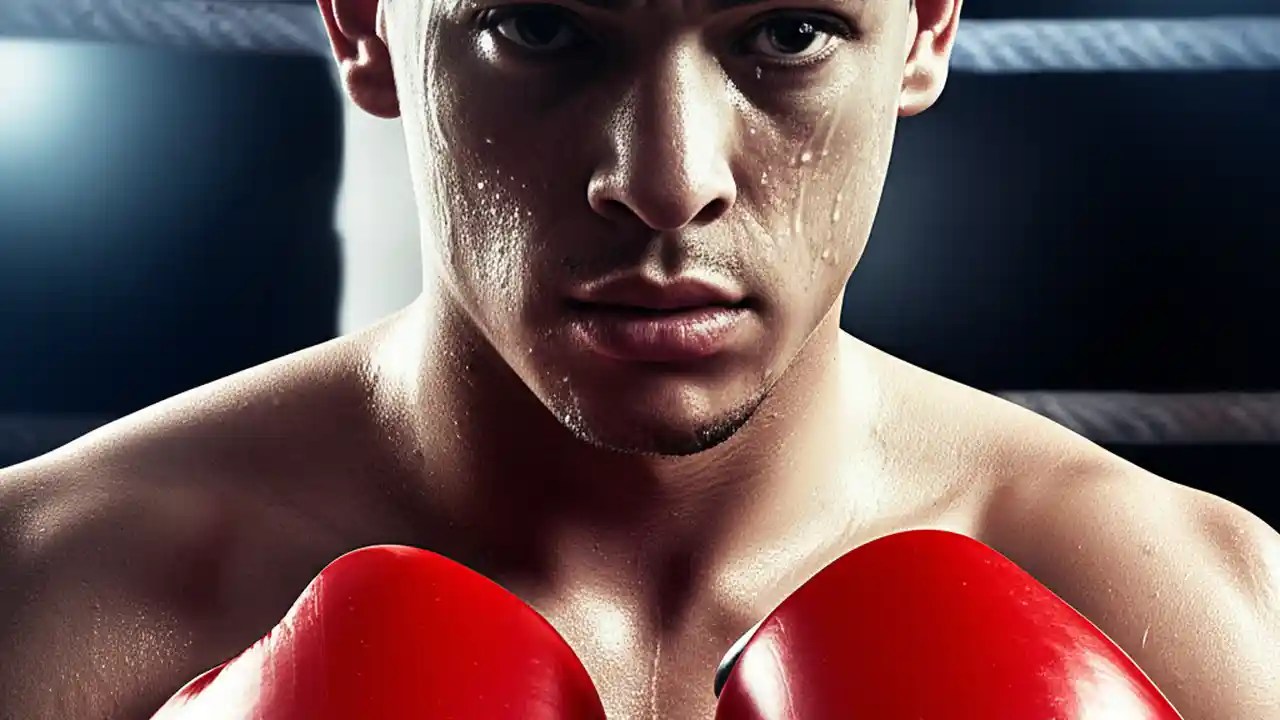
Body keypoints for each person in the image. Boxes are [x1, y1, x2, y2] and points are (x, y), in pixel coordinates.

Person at [1, 0, 1277, 717]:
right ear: (363, 26)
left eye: (784, 35)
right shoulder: (48, 601)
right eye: (540, 30)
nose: (666, 182)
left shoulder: (1211, 625)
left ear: (928, 27)